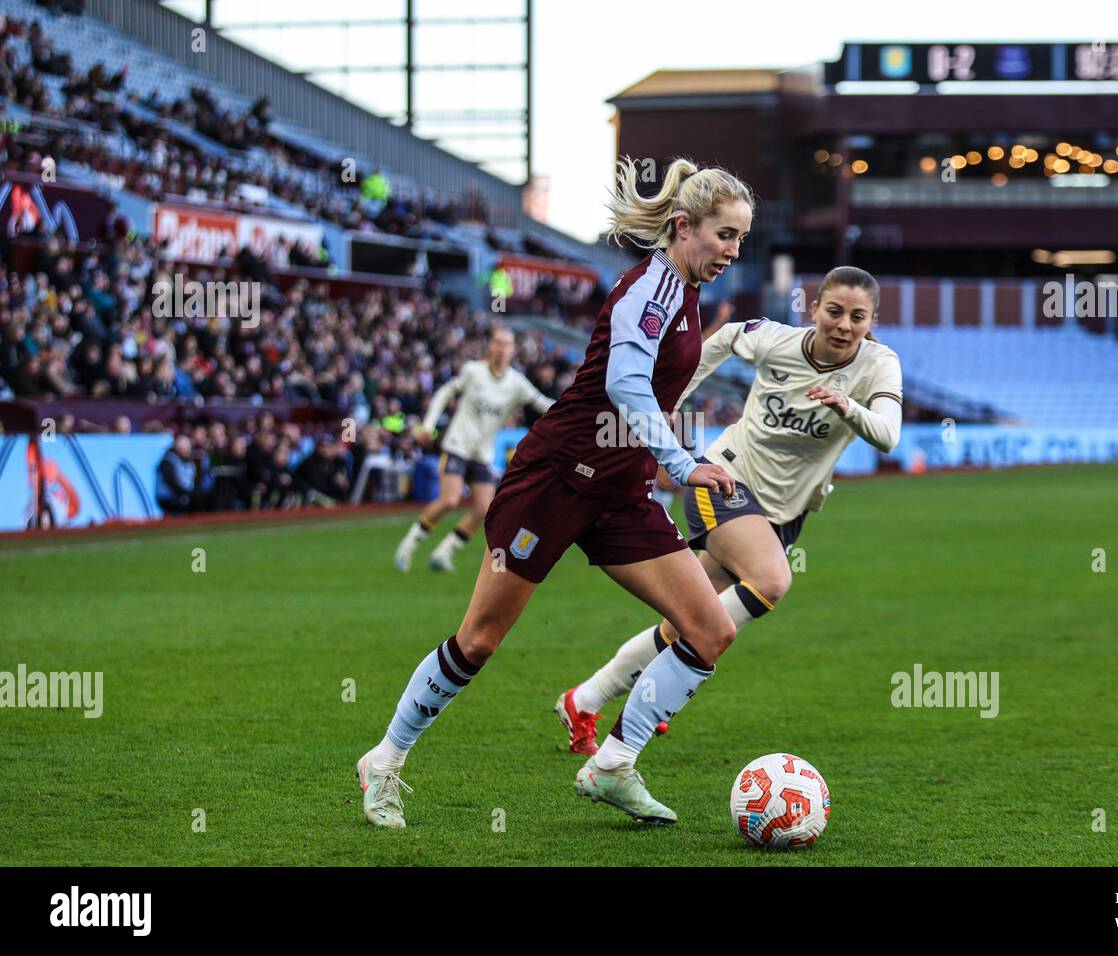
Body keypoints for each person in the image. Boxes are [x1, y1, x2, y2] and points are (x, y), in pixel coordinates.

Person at [356, 157, 753, 829]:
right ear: (685, 227)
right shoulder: (648, 293)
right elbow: (627, 388)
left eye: (741, 238)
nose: (733, 252)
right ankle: (385, 760)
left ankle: (612, 765)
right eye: (725, 236)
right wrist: (682, 465)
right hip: (556, 481)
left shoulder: (684, 296)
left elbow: (646, 397)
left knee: (710, 629)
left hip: (619, 493)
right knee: (479, 641)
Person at [556, 267, 903, 753]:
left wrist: (848, 406)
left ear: (872, 321)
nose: (844, 325)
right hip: (725, 478)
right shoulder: (774, 338)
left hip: (784, 512)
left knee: (681, 624)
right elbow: (719, 341)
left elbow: (888, 434)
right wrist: (673, 396)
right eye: (835, 311)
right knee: (772, 581)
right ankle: (627, 741)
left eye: (857, 316)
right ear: (815, 309)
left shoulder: (879, 364)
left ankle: (583, 700)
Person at [393, 327, 556, 572]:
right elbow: (443, 393)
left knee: (484, 508)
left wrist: (576, 410)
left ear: (512, 350)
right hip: (458, 445)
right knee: (450, 499)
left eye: (507, 344)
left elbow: (543, 403)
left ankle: (444, 552)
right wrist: (428, 425)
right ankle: (409, 544)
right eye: (497, 343)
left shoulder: (516, 383)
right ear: (490, 346)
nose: (501, 349)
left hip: (483, 453)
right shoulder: (473, 372)